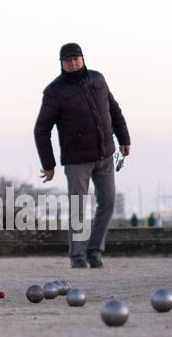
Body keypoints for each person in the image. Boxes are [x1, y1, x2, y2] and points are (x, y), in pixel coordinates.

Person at [33, 43, 131, 269]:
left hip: (105, 154)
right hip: (77, 161)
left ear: (83, 59)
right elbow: (41, 130)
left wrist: (124, 139)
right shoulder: (54, 91)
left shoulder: (98, 79)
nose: (73, 62)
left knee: (107, 202)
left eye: (76, 58)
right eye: (68, 60)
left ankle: (94, 251)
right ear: (62, 63)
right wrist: (49, 165)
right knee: (78, 206)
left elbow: (114, 110)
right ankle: (77, 256)